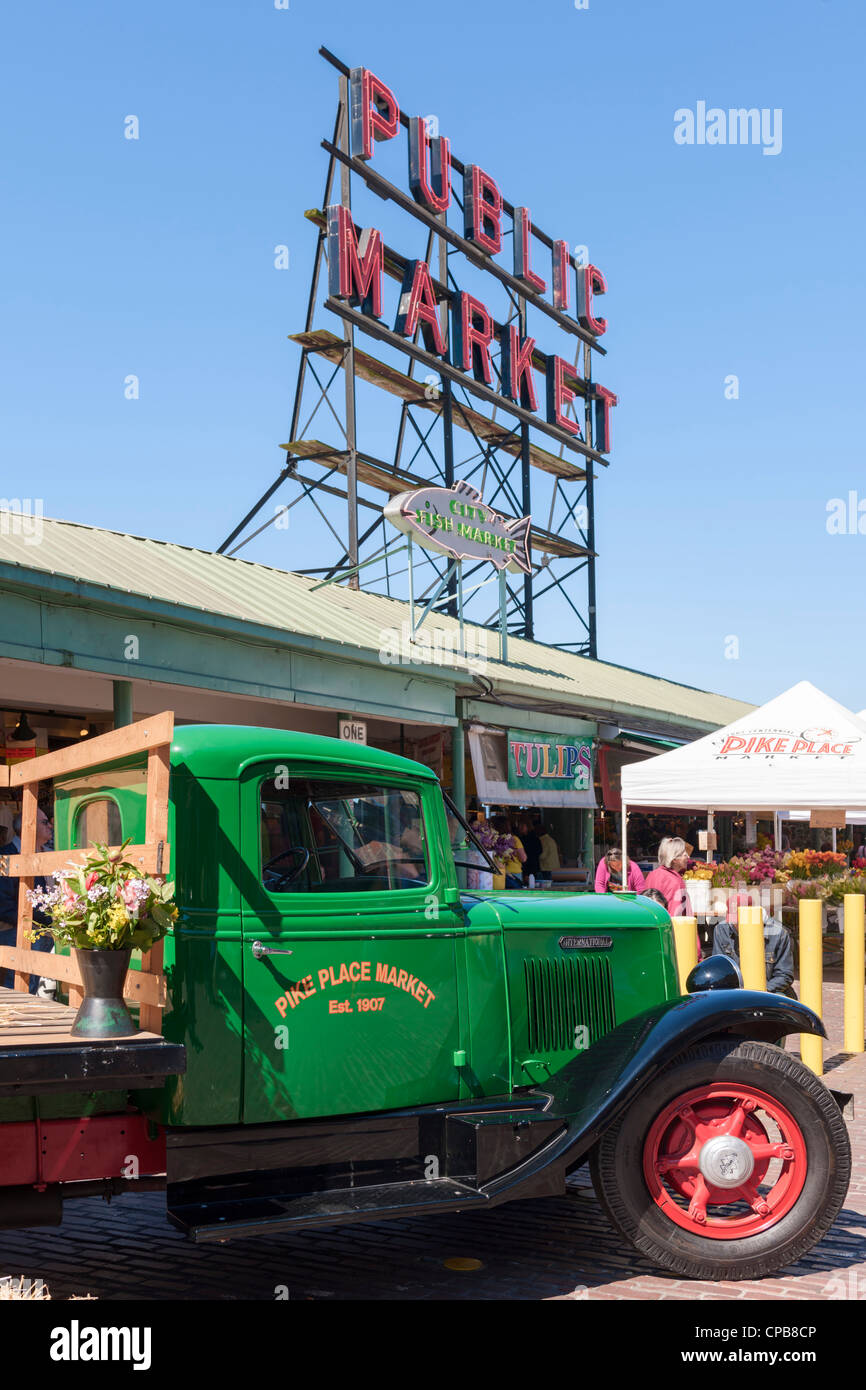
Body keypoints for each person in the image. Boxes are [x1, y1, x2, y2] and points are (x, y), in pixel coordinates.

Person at [0, 807, 55, 994]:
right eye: (44, 822)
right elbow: (3, 906)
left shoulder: (49, 854)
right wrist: (39, 923)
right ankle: (19, 1000)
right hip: (12, 928)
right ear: (27, 827)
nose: (50, 825)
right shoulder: (5, 856)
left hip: (44, 925)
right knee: (36, 940)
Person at [712, 893, 795, 997]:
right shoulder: (721, 930)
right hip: (735, 993)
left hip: (769, 992)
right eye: (733, 920)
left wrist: (759, 993)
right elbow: (719, 969)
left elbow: (784, 975)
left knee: (781, 998)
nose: (735, 924)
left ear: (753, 913)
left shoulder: (779, 934)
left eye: (740, 919)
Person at [643, 836, 694, 916]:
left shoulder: (651, 875)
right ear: (674, 859)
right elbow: (675, 914)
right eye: (685, 854)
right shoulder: (675, 881)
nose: (688, 857)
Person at [491, 815, 525, 889]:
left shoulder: (491, 839)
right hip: (513, 872)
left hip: (498, 872)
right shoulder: (514, 839)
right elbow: (523, 858)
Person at [518, 818, 542, 885]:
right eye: (519, 826)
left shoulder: (530, 839)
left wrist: (527, 873)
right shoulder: (534, 838)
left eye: (522, 826)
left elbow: (532, 856)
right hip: (533, 867)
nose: (520, 828)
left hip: (530, 868)